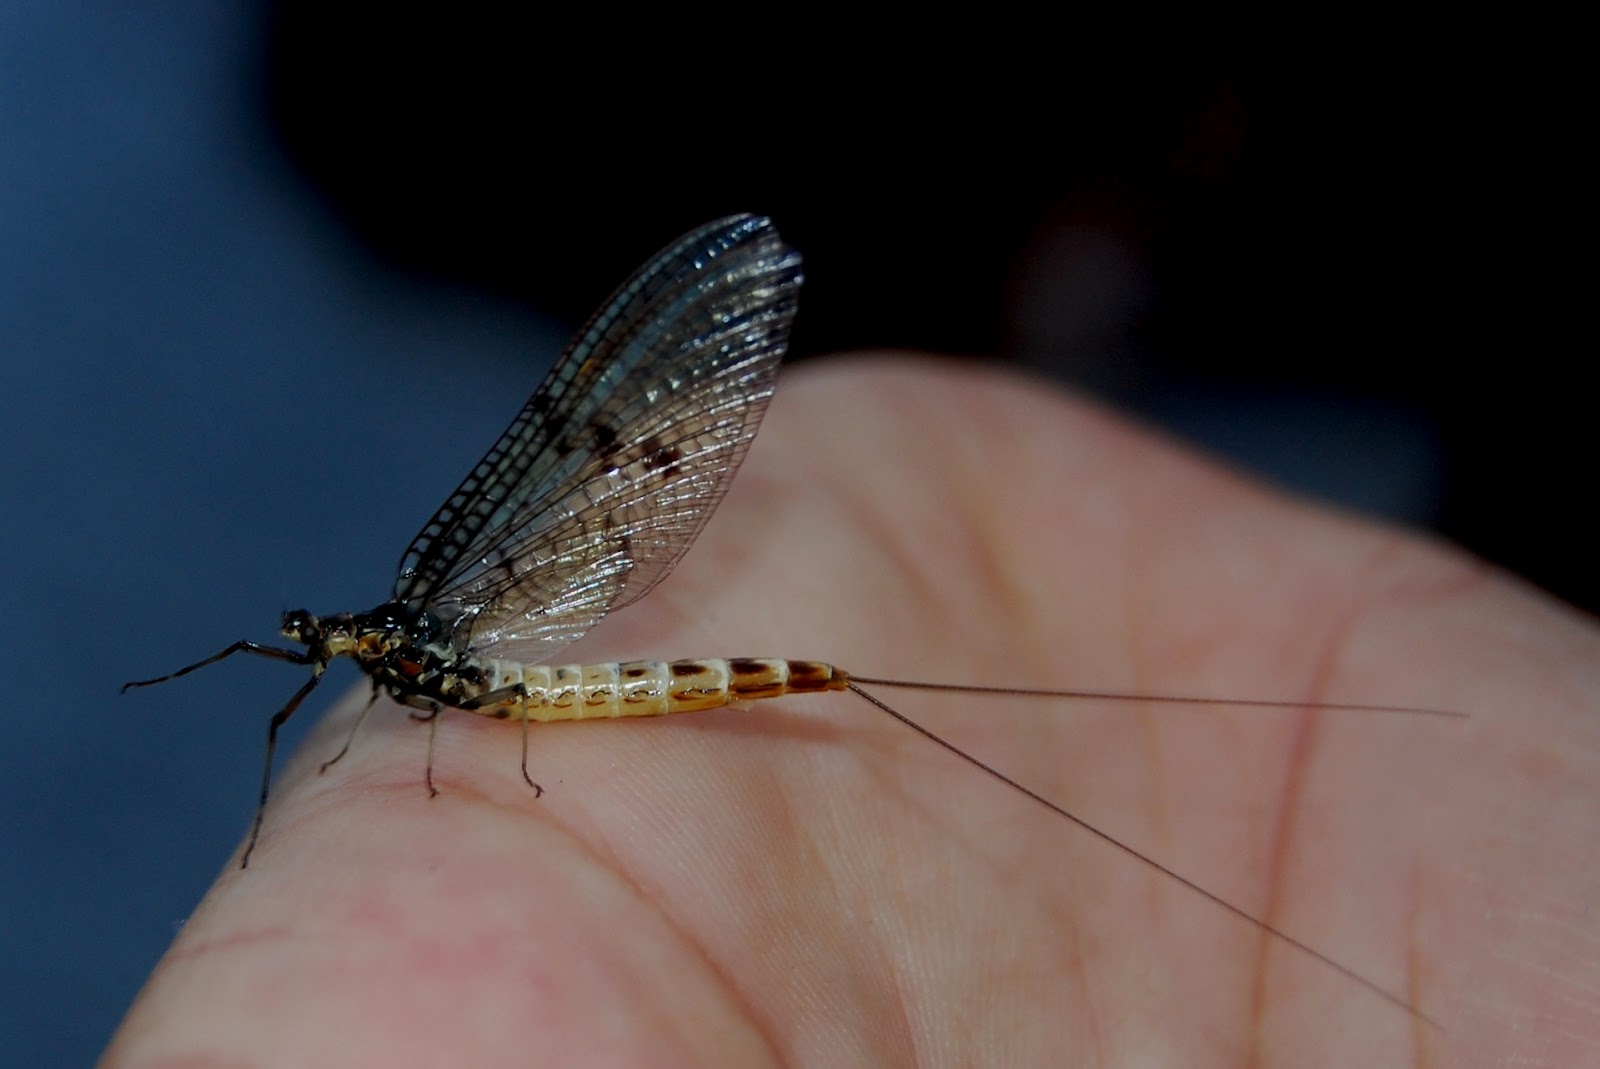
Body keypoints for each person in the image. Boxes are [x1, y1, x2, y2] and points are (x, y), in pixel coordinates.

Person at [102, 360, 1595, 1067]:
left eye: (318, 643)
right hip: (529, 683)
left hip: (584, 683)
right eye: (316, 645)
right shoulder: (388, 651)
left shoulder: (412, 629)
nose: (312, 650)